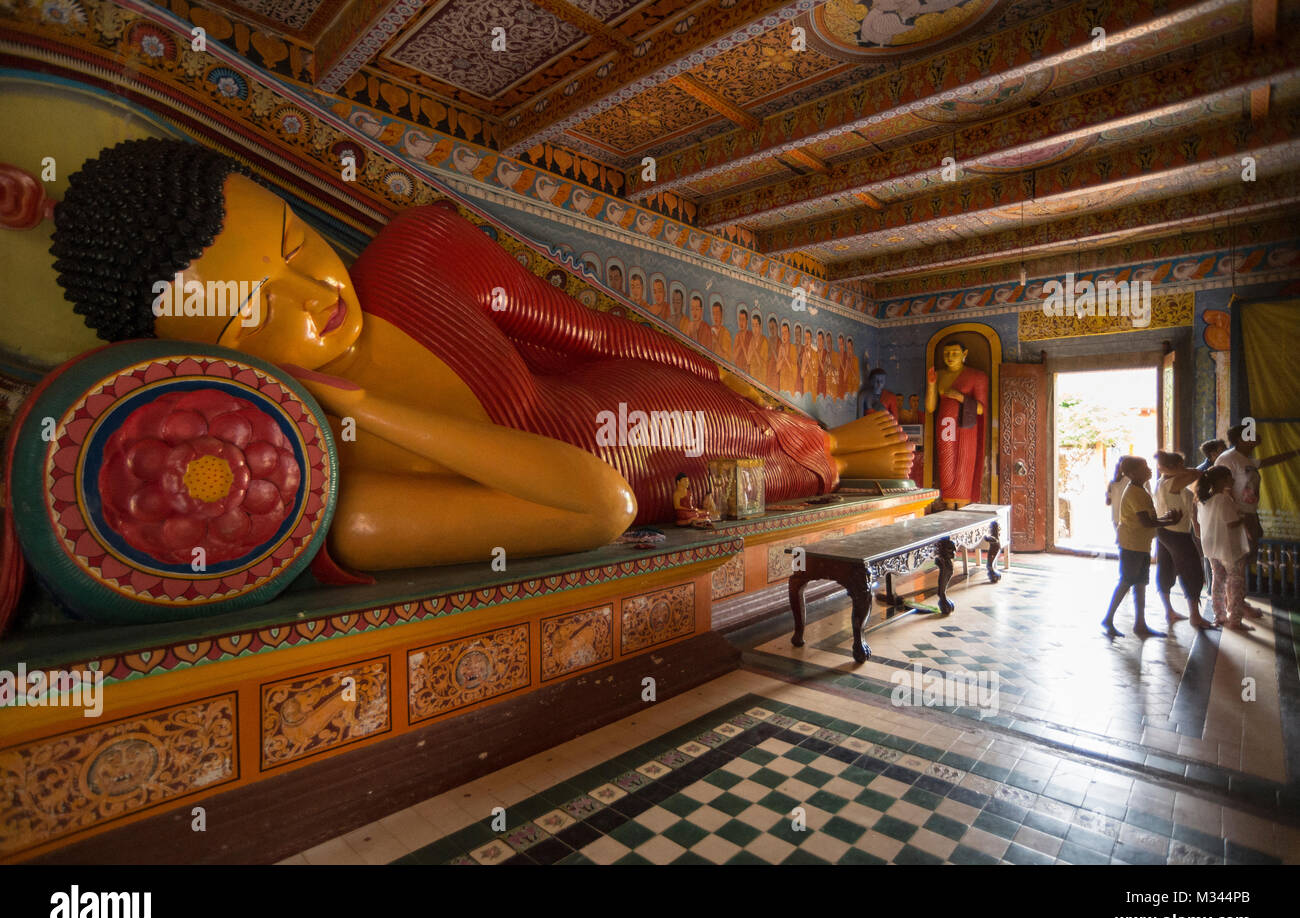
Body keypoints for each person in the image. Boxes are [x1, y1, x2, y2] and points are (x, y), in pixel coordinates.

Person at [27, 139, 914, 571]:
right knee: (801, 470)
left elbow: (586, 330)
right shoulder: (347, 496)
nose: (318, 297)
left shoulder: (412, 257)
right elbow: (597, 502)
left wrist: (706, 372)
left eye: (297, 248)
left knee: (775, 428)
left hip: (643, 394)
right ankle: (843, 458)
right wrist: (361, 406)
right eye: (253, 311)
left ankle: (845, 447)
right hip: (657, 486)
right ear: (202, 363)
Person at [1102, 456, 1185, 637]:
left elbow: (1149, 521)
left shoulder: (1141, 490)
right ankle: (1108, 619)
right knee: (1126, 581)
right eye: (1144, 467)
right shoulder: (1134, 493)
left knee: (1140, 583)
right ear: (1132, 474)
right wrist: (1169, 520)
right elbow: (1147, 522)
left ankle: (1140, 624)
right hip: (1132, 544)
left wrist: (1168, 519)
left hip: (1140, 544)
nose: (1148, 469)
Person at [1215, 423, 1300, 598]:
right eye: (1251, 435)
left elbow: (1268, 461)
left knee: (1245, 559)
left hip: (1249, 514)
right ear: (1240, 439)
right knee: (1236, 561)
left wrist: (1295, 452)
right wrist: (1239, 518)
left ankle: (1239, 601)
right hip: (1237, 516)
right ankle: (1232, 603)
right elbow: (1221, 488)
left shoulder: (1246, 459)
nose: (1257, 438)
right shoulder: (1228, 458)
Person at [925, 337, 989, 507]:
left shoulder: (977, 376)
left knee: (962, 464)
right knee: (946, 463)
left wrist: (961, 398)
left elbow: (982, 409)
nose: (950, 356)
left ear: (964, 354)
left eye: (955, 353)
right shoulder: (939, 375)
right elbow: (931, 408)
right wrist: (931, 385)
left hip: (965, 428)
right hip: (945, 426)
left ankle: (962, 505)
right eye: (946, 353)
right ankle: (948, 504)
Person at [1153, 451, 1211, 629]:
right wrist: (1178, 469)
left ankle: (1169, 611)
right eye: (1179, 465)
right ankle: (1195, 616)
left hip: (1167, 532)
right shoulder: (1172, 482)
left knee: (1166, 568)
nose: (1183, 469)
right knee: (1192, 570)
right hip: (1175, 534)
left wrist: (1196, 526)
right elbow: (1196, 474)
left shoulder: (1165, 483)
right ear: (1172, 468)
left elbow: (1190, 506)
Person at [1196, 465, 1251, 631]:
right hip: (1229, 547)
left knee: (1218, 580)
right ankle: (1235, 620)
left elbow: (1201, 523)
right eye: (1230, 477)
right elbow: (1232, 522)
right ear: (1222, 480)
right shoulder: (1223, 499)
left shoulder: (1203, 500)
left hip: (1212, 546)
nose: (1233, 480)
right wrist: (1243, 517)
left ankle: (1219, 615)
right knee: (1236, 582)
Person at [1105, 460, 1128, 536]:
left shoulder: (1112, 484)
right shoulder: (1129, 481)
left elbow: (1108, 502)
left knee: (1122, 541)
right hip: (1126, 518)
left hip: (1117, 518)